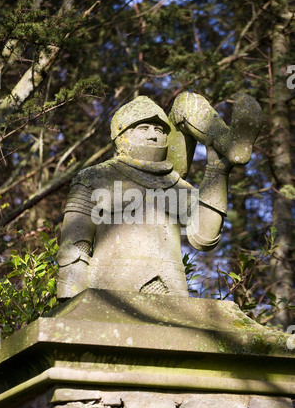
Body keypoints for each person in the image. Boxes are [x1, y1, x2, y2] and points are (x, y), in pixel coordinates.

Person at [57, 92, 262, 299]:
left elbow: (204, 239)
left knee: (185, 101)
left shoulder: (177, 186)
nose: (154, 135)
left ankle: (228, 142)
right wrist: (70, 297)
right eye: (143, 128)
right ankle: (228, 142)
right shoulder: (95, 177)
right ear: (122, 135)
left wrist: (217, 171)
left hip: (171, 293)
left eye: (160, 130)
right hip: (109, 292)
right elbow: (75, 245)